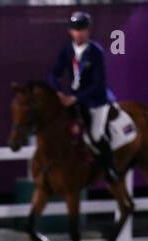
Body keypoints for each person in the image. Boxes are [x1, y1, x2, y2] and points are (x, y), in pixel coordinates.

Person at [49, 10, 120, 183]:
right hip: (75, 98)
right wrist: (58, 90)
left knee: (95, 134)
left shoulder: (96, 52)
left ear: (88, 31)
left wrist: (76, 98)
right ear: (70, 31)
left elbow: (98, 84)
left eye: (82, 29)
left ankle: (110, 168)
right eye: (75, 29)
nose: (78, 33)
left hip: (96, 100)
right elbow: (54, 73)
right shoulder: (67, 50)